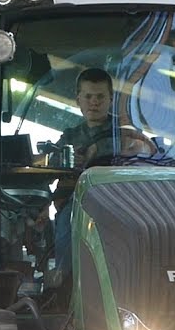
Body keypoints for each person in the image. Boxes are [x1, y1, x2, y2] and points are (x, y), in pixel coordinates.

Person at [51, 68, 155, 272]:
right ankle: (64, 281)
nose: (94, 102)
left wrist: (99, 151)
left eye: (100, 96)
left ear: (110, 99)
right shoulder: (70, 136)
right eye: (88, 96)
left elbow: (143, 151)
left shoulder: (123, 132)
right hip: (77, 200)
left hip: (119, 198)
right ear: (78, 100)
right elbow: (53, 162)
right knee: (66, 224)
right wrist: (69, 160)